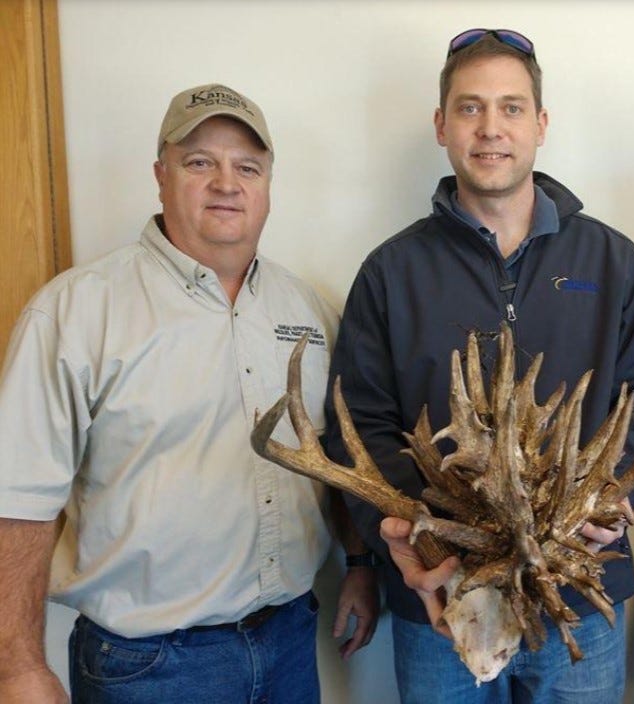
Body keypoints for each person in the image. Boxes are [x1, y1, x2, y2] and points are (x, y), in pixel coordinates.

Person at [0, 83, 379, 704]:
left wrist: (360, 568)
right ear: (160, 175)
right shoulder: (75, 312)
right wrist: (17, 668)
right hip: (150, 668)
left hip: (289, 642)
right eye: (200, 161)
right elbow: (17, 502)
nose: (226, 183)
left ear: (267, 186)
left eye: (246, 167)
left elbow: (338, 460)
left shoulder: (309, 310)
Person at [324, 29, 634, 703]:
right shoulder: (391, 272)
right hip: (442, 597)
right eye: (470, 107)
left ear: (541, 125)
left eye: (511, 108)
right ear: (441, 125)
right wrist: (419, 535)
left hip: (579, 587)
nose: (491, 129)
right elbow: (358, 423)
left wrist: (606, 490)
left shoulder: (611, 260)